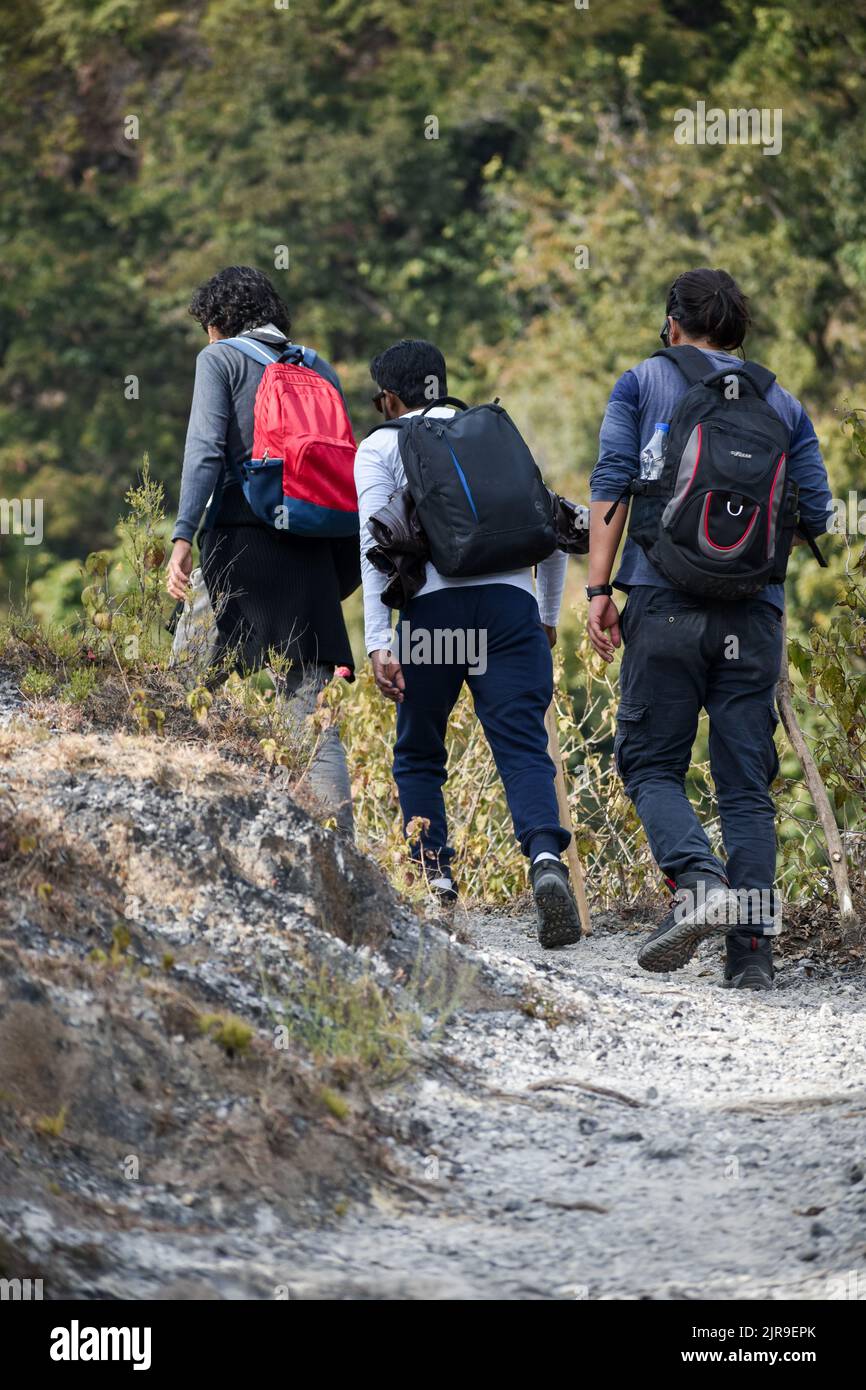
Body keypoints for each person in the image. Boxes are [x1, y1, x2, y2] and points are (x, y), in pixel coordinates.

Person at [588, 267, 832, 989]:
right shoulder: (781, 402)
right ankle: (753, 956)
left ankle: (696, 881)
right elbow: (816, 514)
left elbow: (611, 485)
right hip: (755, 615)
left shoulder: (641, 383)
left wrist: (600, 588)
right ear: (740, 331)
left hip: (662, 602)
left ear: (672, 325)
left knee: (650, 762)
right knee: (746, 786)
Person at [355, 338, 579, 946]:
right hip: (511, 612)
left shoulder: (381, 445)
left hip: (434, 619)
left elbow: (375, 548)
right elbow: (555, 526)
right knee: (523, 745)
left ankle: (437, 883)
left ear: (390, 397)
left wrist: (380, 641)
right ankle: (544, 861)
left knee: (420, 750)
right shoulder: (491, 433)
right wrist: (547, 617)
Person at [166, 265, 358, 833]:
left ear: (219, 322)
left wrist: (182, 536)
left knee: (182, 689)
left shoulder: (219, 360)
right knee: (311, 716)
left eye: (207, 326)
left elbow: (204, 449)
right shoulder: (316, 363)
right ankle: (339, 852)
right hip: (314, 551)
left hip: (240, 542)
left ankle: (176, 827)